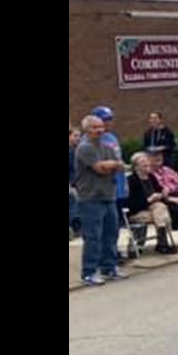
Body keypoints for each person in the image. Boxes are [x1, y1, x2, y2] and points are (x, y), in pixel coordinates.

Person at [75, 114, 127, 285]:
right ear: (86, 130)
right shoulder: (85, 148)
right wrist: (111, 165)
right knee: (93, 236)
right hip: (90, 197)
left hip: (108, 195)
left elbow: (119, 167)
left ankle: (109, 267)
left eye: (101, 127)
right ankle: (88, 272)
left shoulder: (107, 148)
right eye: (95, 128)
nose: (99, 130)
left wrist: (110, 165)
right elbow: (100, 169)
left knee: (111, 233)